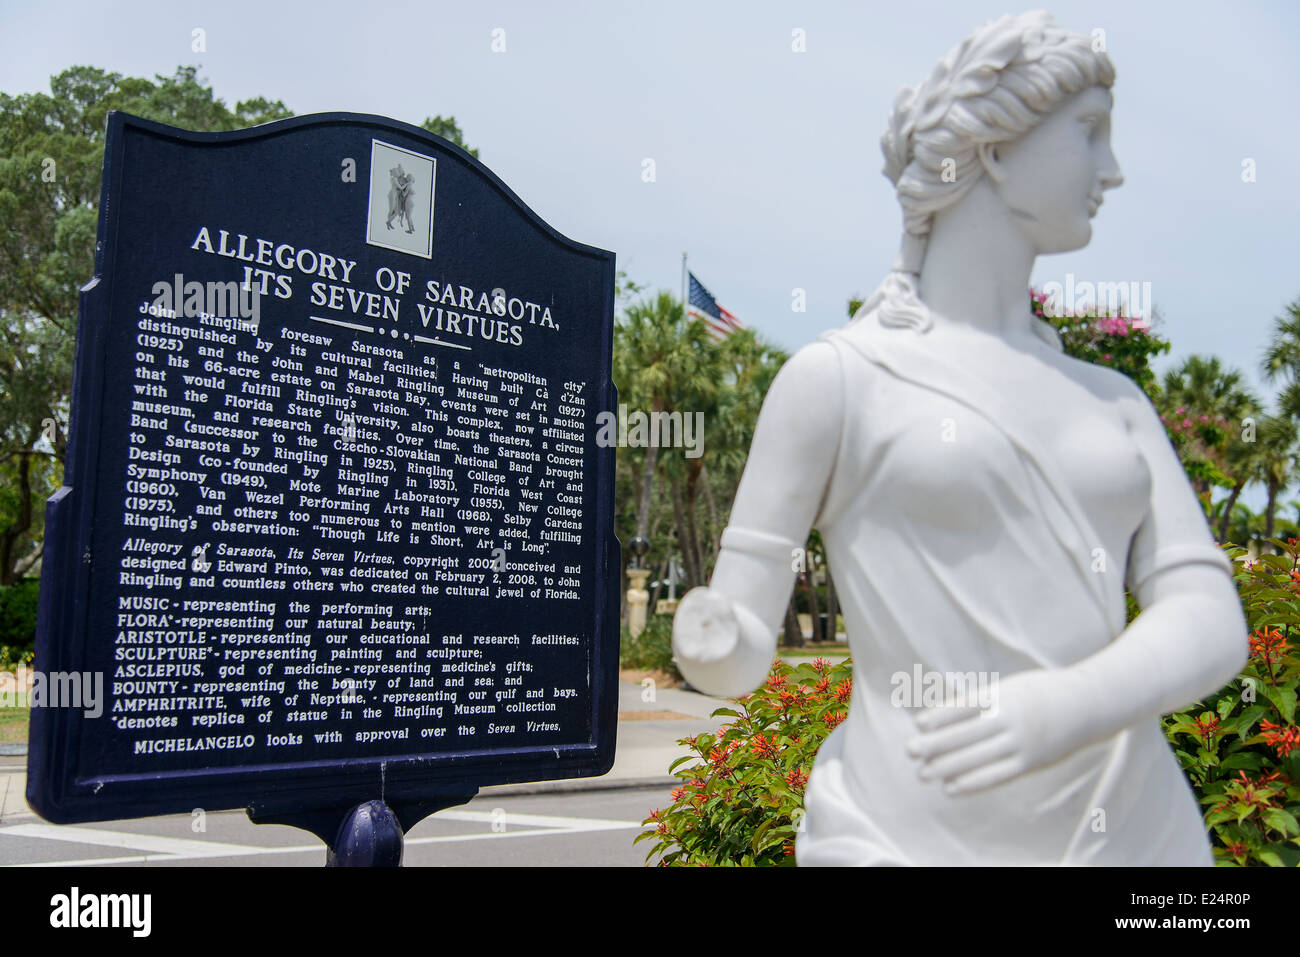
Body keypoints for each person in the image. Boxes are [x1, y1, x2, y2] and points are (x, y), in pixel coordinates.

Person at [670, 11, 1248, 866]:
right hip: (907, 835)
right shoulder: (840, 380)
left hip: (1135, 831)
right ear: (995, 150)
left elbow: (1210, 619)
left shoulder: (1114, 400)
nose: (1112, 171)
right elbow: (743, 648)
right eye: (1089, 134)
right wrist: (712, 637)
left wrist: (1065, 706)